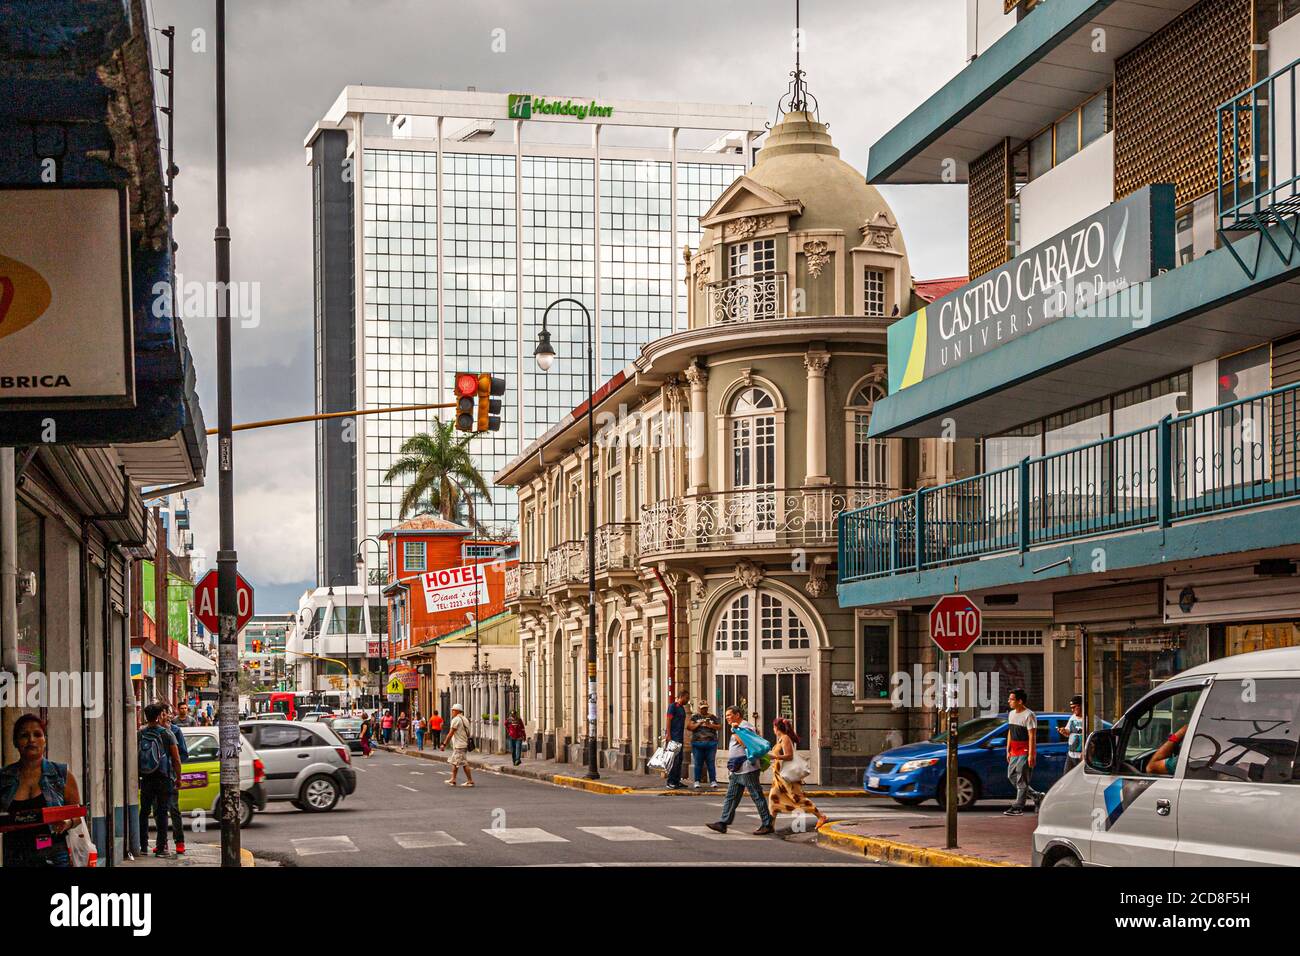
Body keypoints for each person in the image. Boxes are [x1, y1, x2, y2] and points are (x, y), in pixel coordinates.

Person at [0, 714, 80, 867]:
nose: (31, 740)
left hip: (53, 856)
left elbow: (78, 814)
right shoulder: (4, 778)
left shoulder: (61, 774)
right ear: (15, 742)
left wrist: (67, 823)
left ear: (44, 740)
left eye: (37, 734)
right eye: (24, 735)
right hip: (15, 856)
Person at [707, 706, 774, 835]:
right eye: (726, 715)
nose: (727, 718)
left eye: (729, 715)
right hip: (737, 769)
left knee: (756, 795)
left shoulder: (746, 727)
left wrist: (736, 731)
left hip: (747, 767)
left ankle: (767, 824)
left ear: (737, 715)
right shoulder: (738, 727)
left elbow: (746, 744)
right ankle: (723, 822)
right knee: (731, 797)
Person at [138, 702, 182, 856]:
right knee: (162, 813)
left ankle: (143, 846)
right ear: (158, 717)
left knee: (144, 812)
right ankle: (161, 848)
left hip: (146, 778)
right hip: (164, 778)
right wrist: (178, 778)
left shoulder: (140, 734)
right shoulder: (167, 734)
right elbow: (176, 759)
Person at [767, 717, 827, 830]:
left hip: (787, 778)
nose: (773, 729)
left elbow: (789, 756)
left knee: (798, 798)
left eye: (773, 727)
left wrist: (774, 756)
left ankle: (821, 816)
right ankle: (771, 825)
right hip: (779, 778)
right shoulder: (781, 739)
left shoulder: (785, 738)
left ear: (776, 728)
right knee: (773, 799)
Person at [1004, 687, 1044, 816]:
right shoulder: (1011, 714)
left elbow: (1032, 735)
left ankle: (1018, 806)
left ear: (1020, 701)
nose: (1009, 701)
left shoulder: (1029, 715)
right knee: (1011, 775)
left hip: (1025, 749)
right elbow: (1010, 731)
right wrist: (1008, 749)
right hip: (1014, 750)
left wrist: (1032, 754)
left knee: (1021, 778)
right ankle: (1036, 796)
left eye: (1011, 699)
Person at [161, 705, 190, 855]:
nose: (164, 717)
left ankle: (179, 841)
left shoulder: (176, 731)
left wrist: (173, 765)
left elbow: (184, 754)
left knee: (174, 809)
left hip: (170, 776)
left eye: (166, 714)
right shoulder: (152, 732)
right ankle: (162, 843)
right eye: (161, 714)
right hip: (156, 776)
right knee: (159, 811)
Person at [686, 700, 721, 789]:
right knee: (698, 763)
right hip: (697, 743)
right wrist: (699, 723)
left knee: (711, 762)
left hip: (711, 743)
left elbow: (719, 727)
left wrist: (710, 725)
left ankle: (713, 781)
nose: (704, 710)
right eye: (702, 708)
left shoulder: (712, 717)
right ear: (699, 709)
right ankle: (697, 781)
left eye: (705, 708)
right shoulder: (695, 717)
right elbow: (689, 727)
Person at [441, 703, 474, 787]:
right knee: (455, 762)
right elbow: (469, 732)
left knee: (463, 763)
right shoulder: (465, 719)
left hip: (459, 745)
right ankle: (453, 779)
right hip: (463, 743)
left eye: (453, 710)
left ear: (457, 711)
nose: (452, 712)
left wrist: (444, 744)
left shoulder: (456, 720)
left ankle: (470, 781)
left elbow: (450, 733)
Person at [663, 690, 690, 790]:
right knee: (673, 759)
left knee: (679, 760)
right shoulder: (673, 706)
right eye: (686, 698)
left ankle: (677, 780)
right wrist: (668, 734)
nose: (687, 700)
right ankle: (670, 781)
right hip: (673, 737)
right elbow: (668, 720)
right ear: (681, 696)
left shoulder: (682, 708)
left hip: (680, 737)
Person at [1059, 695, 1084, 775]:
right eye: (1071, 707)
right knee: (1066, 778)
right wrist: (1063, 731)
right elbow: (1068, 732)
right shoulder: (1072, 718)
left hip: (1082, 756)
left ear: (1081, 706)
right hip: (1071, 754)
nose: (1072, 710)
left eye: (1074, 707)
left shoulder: (1090, 719)